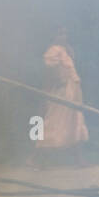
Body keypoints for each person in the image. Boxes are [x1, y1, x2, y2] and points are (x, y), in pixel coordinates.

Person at [38, 27, 89, 162]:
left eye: (65, 34)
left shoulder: (66, 50)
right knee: (54, 121)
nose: (63, 36)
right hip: (61, 89)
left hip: (73, 89)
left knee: (75, 120)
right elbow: (50, 70)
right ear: (53, 36)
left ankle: (79, 159)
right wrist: (58, 81)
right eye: (59, 33)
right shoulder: (53, 50)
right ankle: (39, 159)